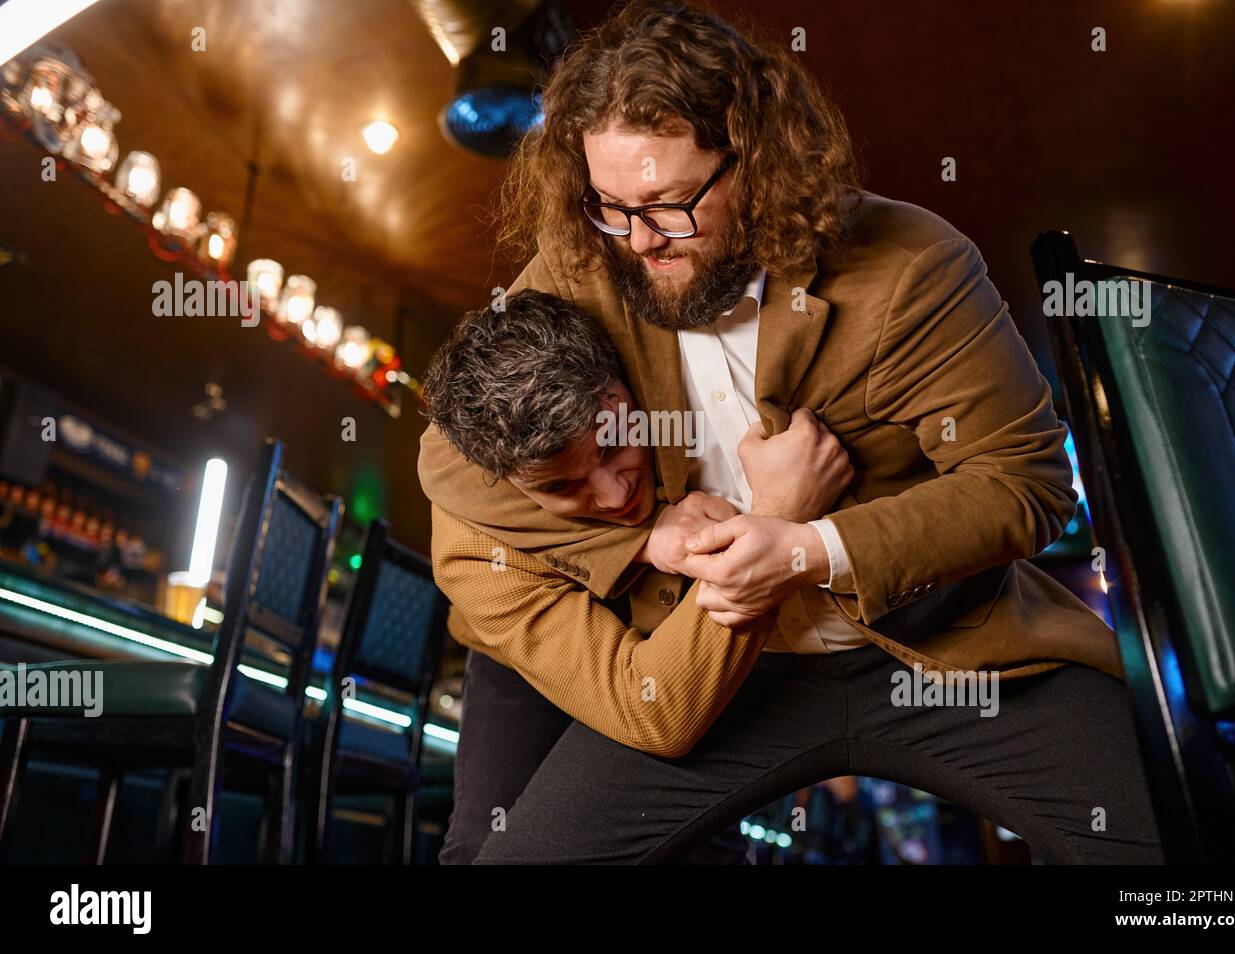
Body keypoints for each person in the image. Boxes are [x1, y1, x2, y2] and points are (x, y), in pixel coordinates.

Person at [418, 0, 1164, 864]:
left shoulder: (913, 264)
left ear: (759, 160)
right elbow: (456, 456)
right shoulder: (596, 260)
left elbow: (1026, 482)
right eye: (610, 206)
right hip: (712, 669)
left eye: (669, 205)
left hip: (933, 647)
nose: (639, 243)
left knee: (1176, 855)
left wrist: (807, 548)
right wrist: (651, 536)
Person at [423, 289, 853, 863]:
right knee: (488, 845)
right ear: (502, 484)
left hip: (670, 642)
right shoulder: (470, 546)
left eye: (613, 444)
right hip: (526, 665)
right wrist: (645, 535)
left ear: (622, 385)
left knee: (692, 850)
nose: (615, 492)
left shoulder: (667, 371)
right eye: (559, 487)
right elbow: (651, 714)